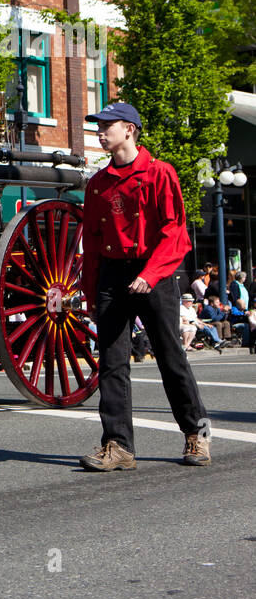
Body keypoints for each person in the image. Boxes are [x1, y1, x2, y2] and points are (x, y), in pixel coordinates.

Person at [79, 102, 211, 470]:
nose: (100, 132)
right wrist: (91, 293)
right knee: (112, 362)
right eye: (98, 126)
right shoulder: (97, 184)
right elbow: (91, 242)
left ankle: (197, 437)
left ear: (130, 129)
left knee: (172, 357)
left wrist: (150, 274)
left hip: (154, 273)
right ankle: (118, 445)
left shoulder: (160, 173)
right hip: (112, 274)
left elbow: (175, 232)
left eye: (108, 125)